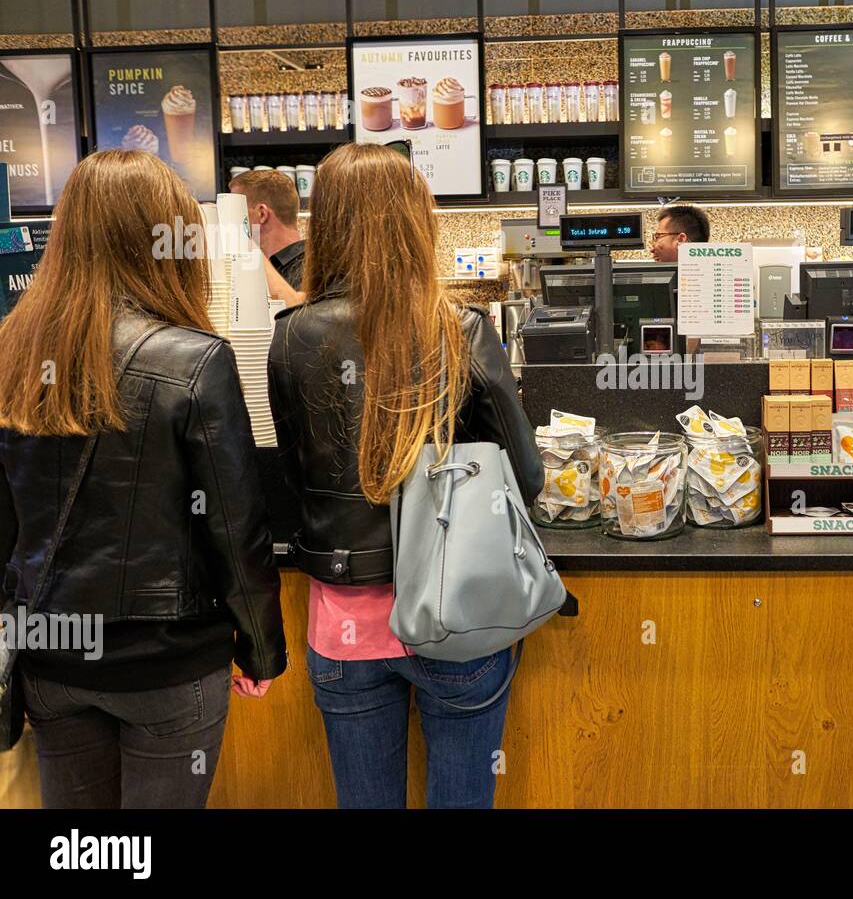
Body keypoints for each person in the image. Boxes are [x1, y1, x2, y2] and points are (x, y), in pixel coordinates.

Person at [0, 150, 287, 809]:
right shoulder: (194, 360)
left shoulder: (12, 353)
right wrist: (261, 647)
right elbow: (234, 524)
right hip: (168, 661)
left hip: (51, 654)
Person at [268, 143, 543, 809]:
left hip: (345, 625)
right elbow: (525, 475)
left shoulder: (289, 336)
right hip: (456, 612)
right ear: (417, 223)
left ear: (323, 223)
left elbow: (293, 471)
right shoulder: (462, 330)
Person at [230, 169, 306, 306]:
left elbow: (298, 319)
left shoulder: (313, 268)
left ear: (262, 214)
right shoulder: (255, 266)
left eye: (235, 210)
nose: (230, 222)